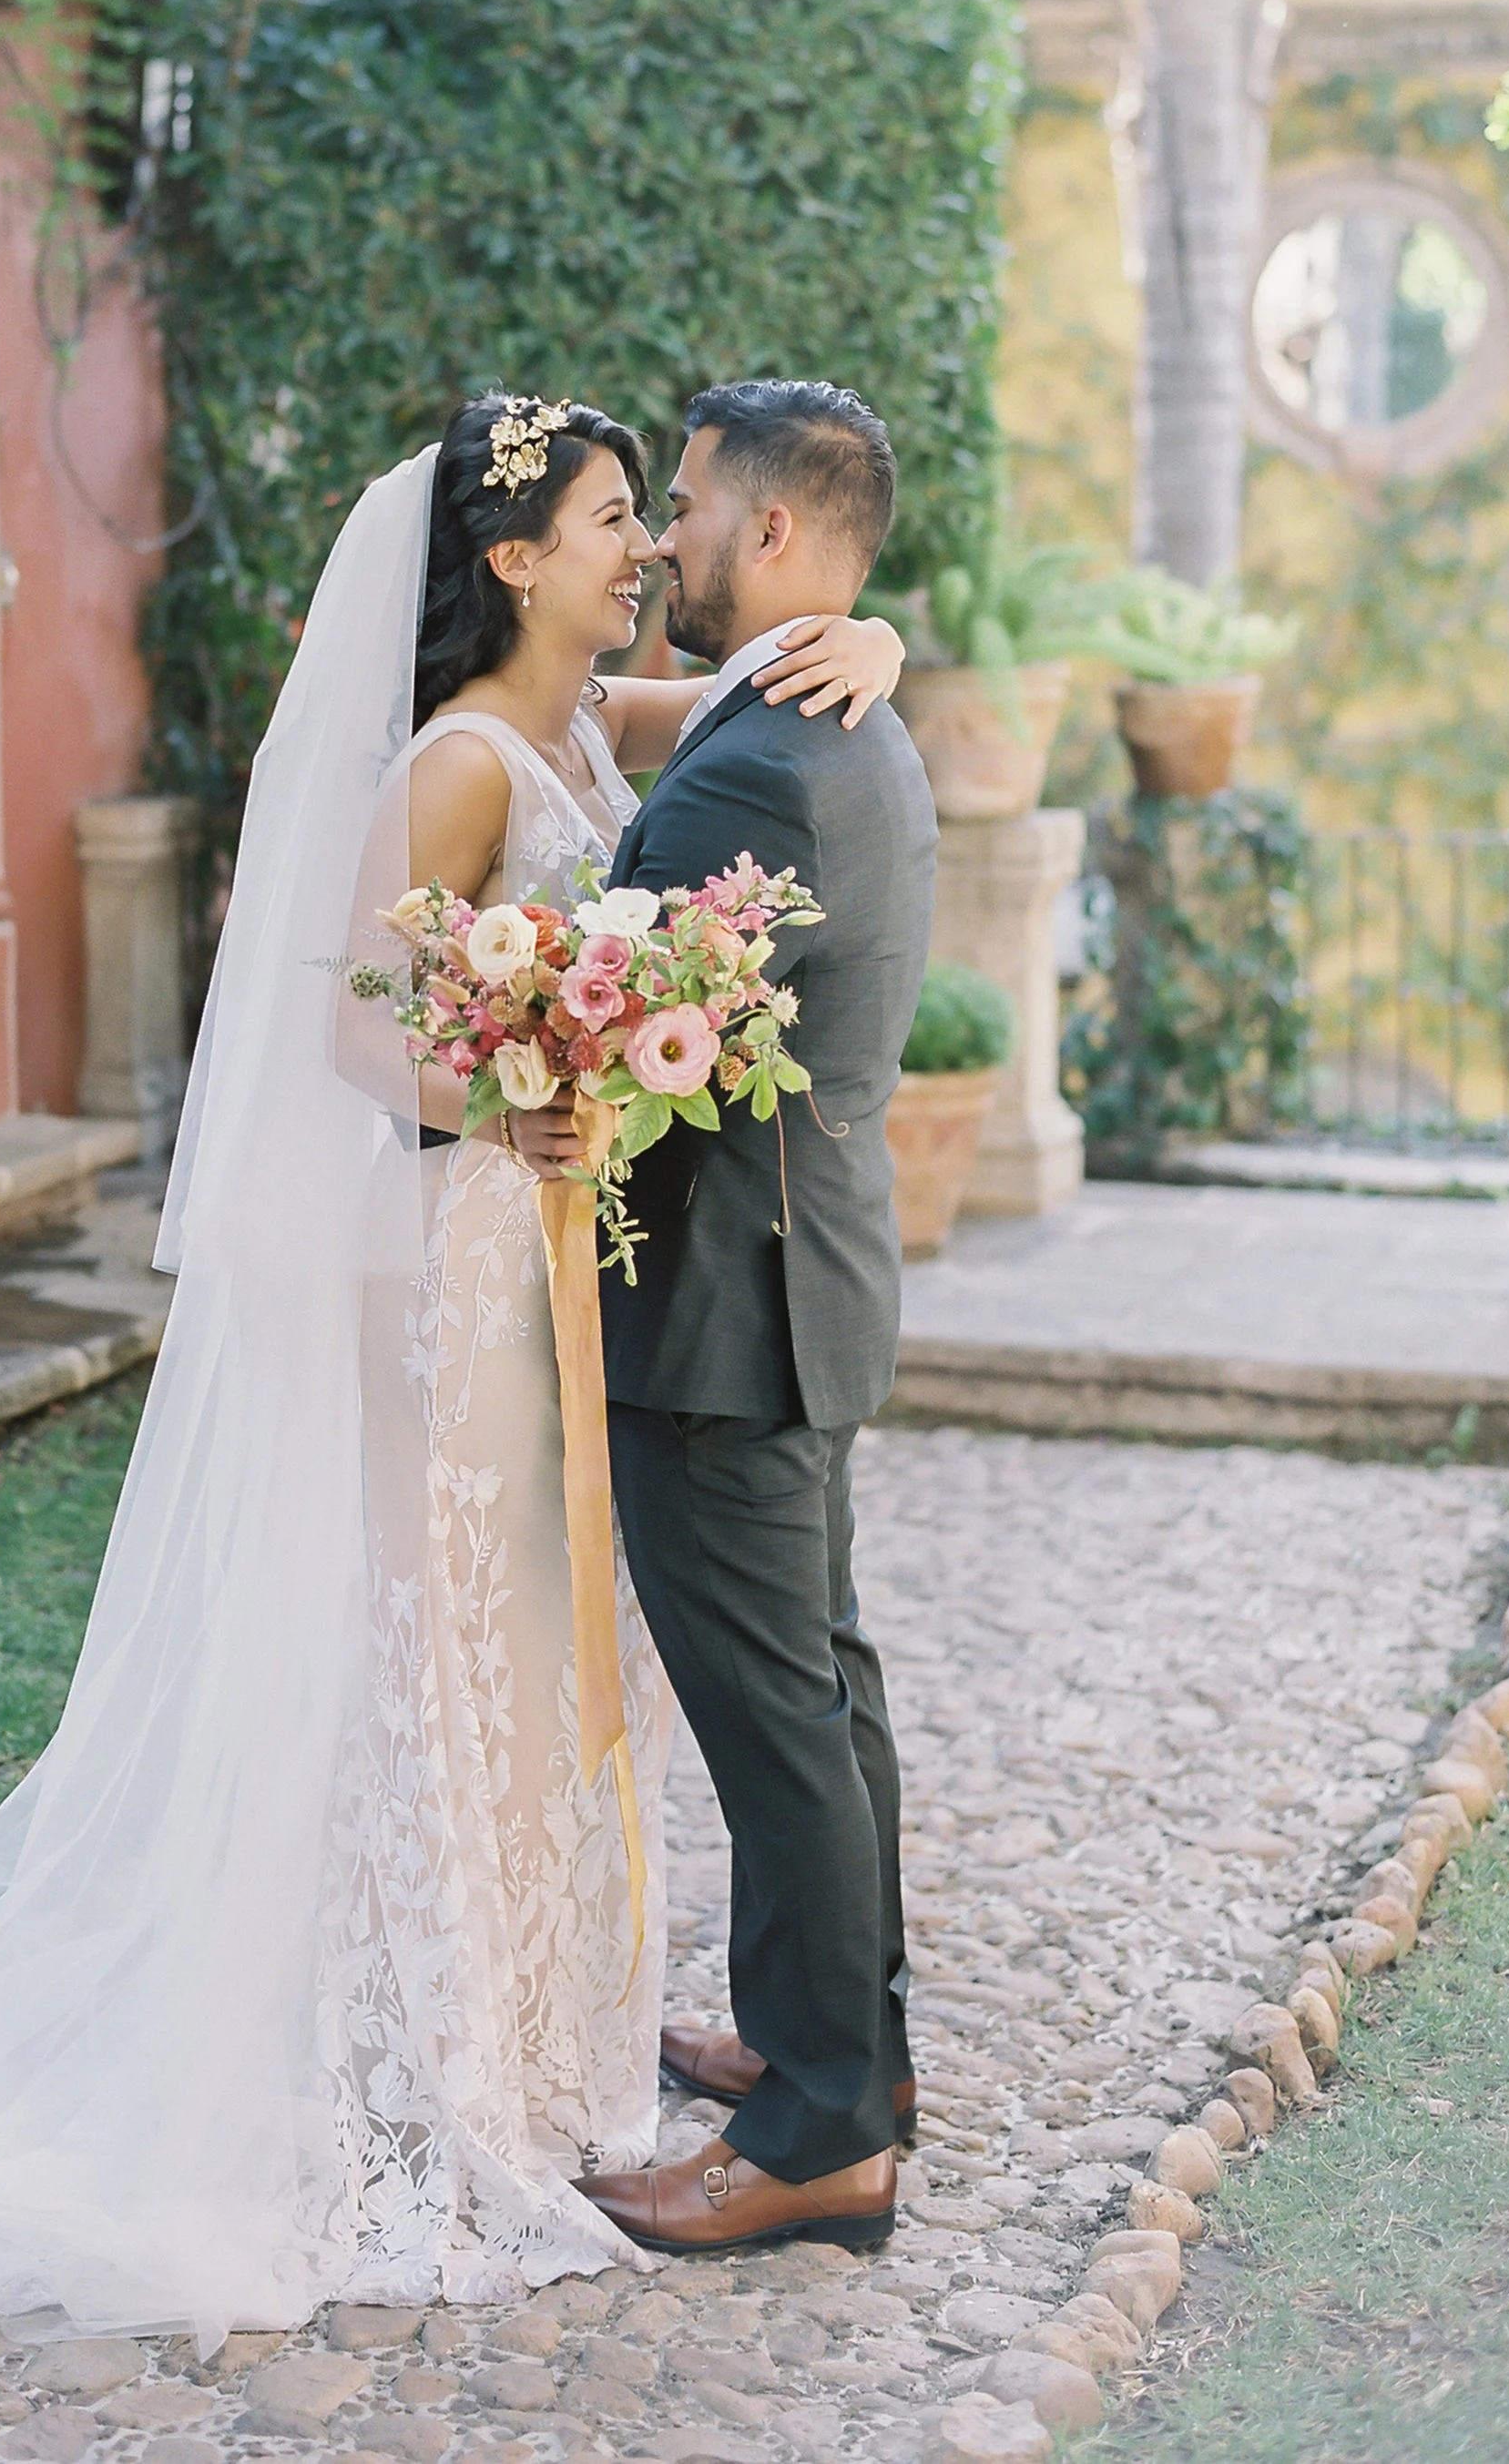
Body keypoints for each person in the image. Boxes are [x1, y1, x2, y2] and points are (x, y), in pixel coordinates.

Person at [0, 393, 904, 2340]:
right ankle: (425, 2056)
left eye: (665, 510)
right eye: (615, 516)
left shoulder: (583, 726)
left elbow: (729, 708)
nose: (648, 544)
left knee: (553, 1660)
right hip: (469, 1261)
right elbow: (354, 1035)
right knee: (447, 1650)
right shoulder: (457, 761)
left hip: (564, 1278)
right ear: (512, 558)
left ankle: (551, 2044)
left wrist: (872, 632)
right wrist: (511, 1098)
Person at [515, 381, 937, 2256]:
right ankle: (836, 2053)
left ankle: (824, 2133)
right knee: (819, 1700)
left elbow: (614, 1030)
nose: (666, 537)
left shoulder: (772, 757)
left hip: (723, 1315)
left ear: (768, 532)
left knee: (781, 1727)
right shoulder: (830, 714)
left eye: (681, 505)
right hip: (800, 1287)